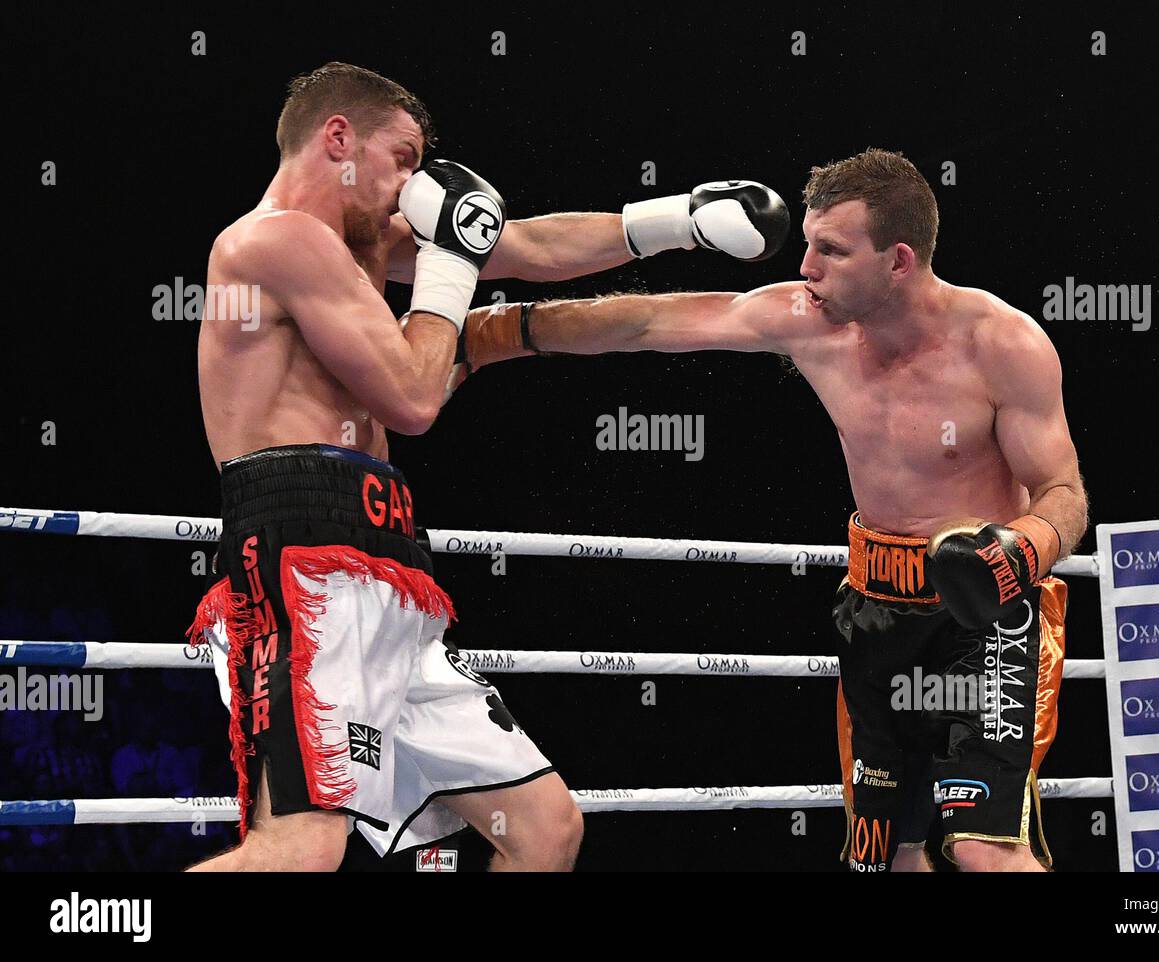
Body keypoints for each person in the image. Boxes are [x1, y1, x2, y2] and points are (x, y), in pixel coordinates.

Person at [187, 61, 788, 871]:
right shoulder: (276, 240)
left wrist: (677, 219)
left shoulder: (358, 247)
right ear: (338, 138)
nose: (412, 182)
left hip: (388, 568)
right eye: (403, 157)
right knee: (300, 846)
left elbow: (530, 245)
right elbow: (412, 397)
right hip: (300, 564)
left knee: (542, 830)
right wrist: (448, 263)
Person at [453, 148, 1088, 872]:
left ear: (899, 260)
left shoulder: (1002, 343)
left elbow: (1064, 493)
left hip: (986, 618)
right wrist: (491, 334)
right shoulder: (809, 320)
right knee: (887, 857)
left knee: (980, 845)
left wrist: (1018, 553)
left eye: (832, 250)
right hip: (875, 609)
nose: (806, 265)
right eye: (810, 243)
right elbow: (647, 324)